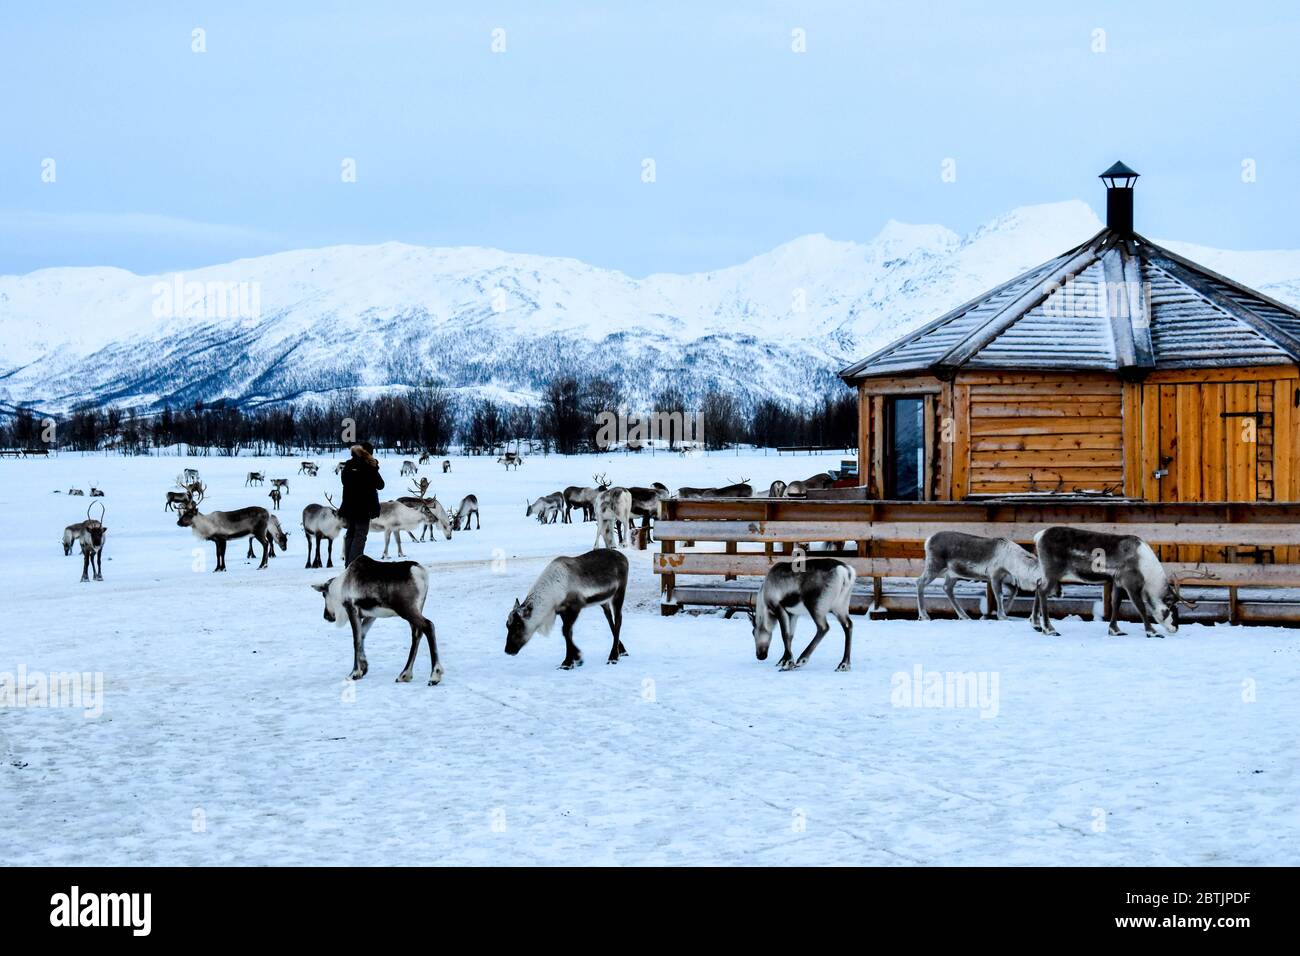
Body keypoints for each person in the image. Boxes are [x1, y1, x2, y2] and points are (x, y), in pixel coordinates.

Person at [338, 441, 385, 566]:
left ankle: (348, 566)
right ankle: (353, 568)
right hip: (364, 508)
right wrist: (374, 467)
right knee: (360, 535)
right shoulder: (369, 466)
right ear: (368, 453)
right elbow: (380, 485)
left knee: (350, 534)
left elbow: (344, 482)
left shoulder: (348, 465)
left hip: (349, 507)